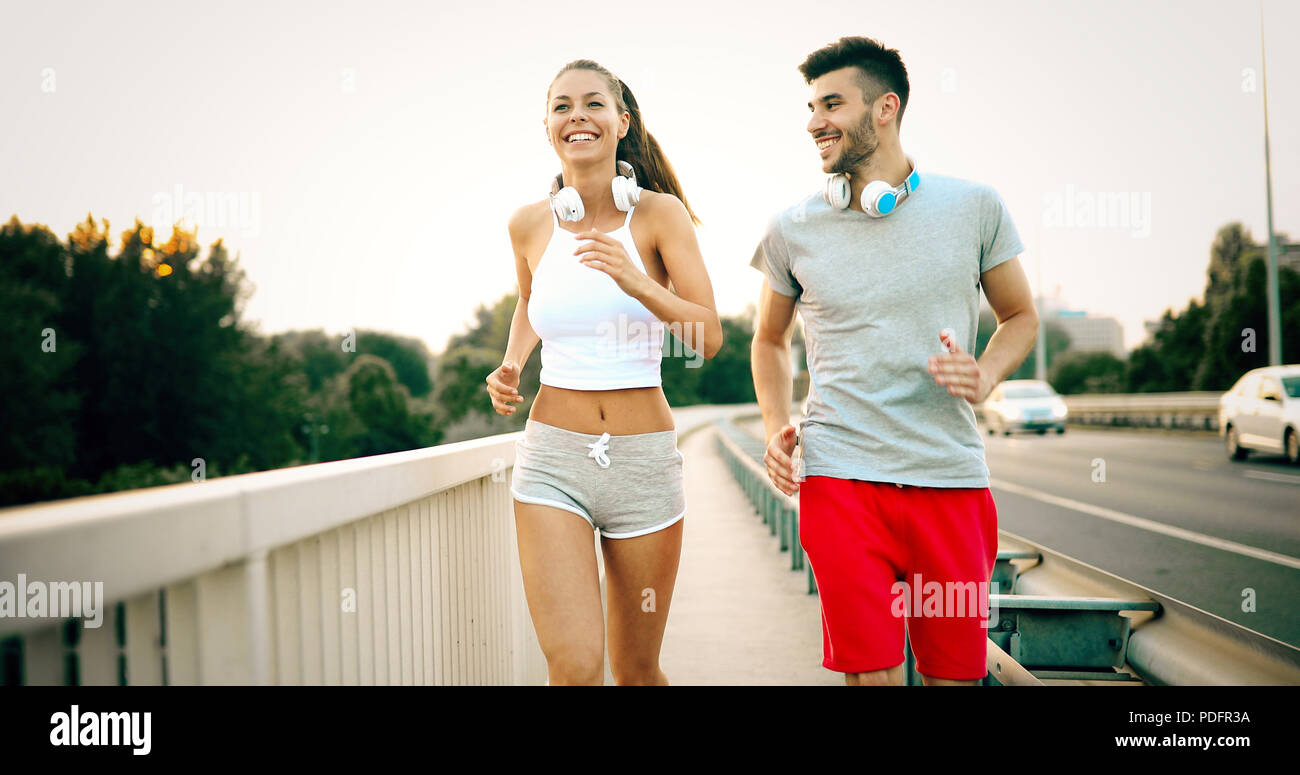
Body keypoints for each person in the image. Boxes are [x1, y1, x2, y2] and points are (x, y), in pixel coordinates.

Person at [749, 36, 1038, 686]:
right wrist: (775, 425)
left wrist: (985, 374)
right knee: (869, 675)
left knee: (954, 677)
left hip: (951, 484)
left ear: (885, 107)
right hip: (841, 480)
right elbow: (767, 339)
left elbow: (1021, 317)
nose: (814, 121)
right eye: (810, 106)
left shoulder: (974, 207)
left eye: (831, 103)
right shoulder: (793, 227)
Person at [485, 59, 723, 686]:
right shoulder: (528, 224)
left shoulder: (659, 216)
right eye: (562, 106)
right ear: (547, 127)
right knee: (575, 667)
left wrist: (635, 281)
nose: (577, 117)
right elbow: (530, 304)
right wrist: (512, 363)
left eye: (593, 104)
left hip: (643, 460)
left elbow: (708, 336)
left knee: (637, 670)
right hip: (553, 460)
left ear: (622, 122)